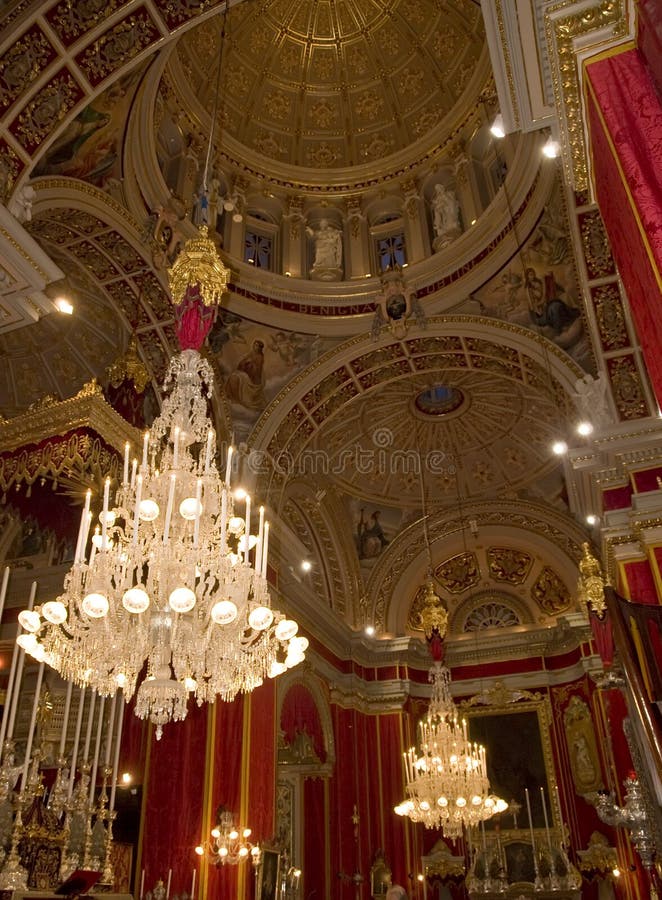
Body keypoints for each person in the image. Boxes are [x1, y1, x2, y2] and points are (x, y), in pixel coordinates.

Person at [224, 339, 267, 410]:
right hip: (245, 372)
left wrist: (250, 363)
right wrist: (244, 362)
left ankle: (239, 398)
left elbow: (256, 371)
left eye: (256, 346)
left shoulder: (260, 357)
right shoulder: (251, 353)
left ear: (260, 348)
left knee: (240, 378)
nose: (255, 347)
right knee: (234, 375)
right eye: (254, 345)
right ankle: (231, 395)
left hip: (252, 379)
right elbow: (241, 364)